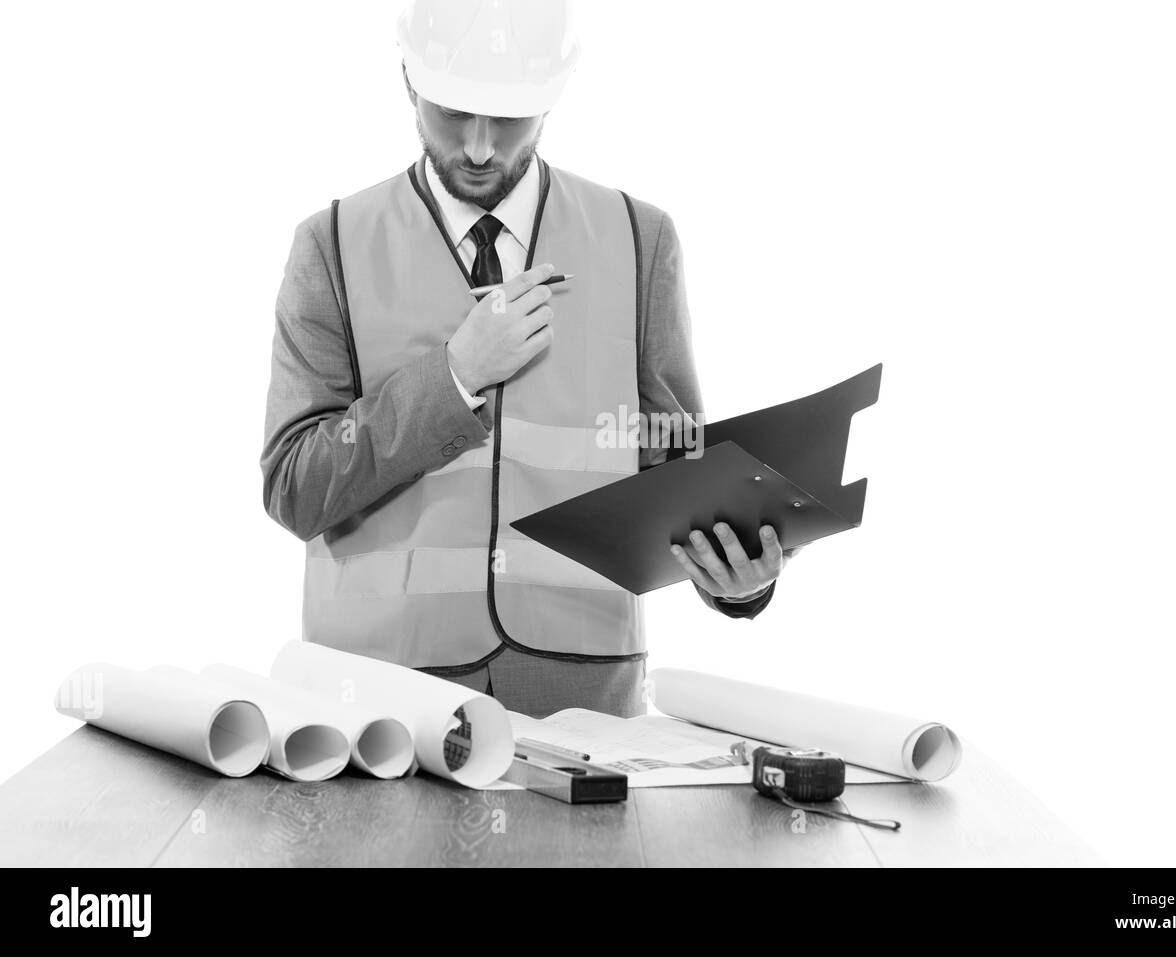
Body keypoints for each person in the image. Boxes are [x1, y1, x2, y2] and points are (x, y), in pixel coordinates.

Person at [261, 0, 794, 717]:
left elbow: (674, 472)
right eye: (454, 112)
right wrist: (454, 376)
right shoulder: (329, 245)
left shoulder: (640, 240)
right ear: (408, 82)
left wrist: (738, 577)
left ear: (554, 95)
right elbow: (295, 485)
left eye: (509, 118)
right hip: (378, 706)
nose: (480, 148)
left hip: (582, 704)